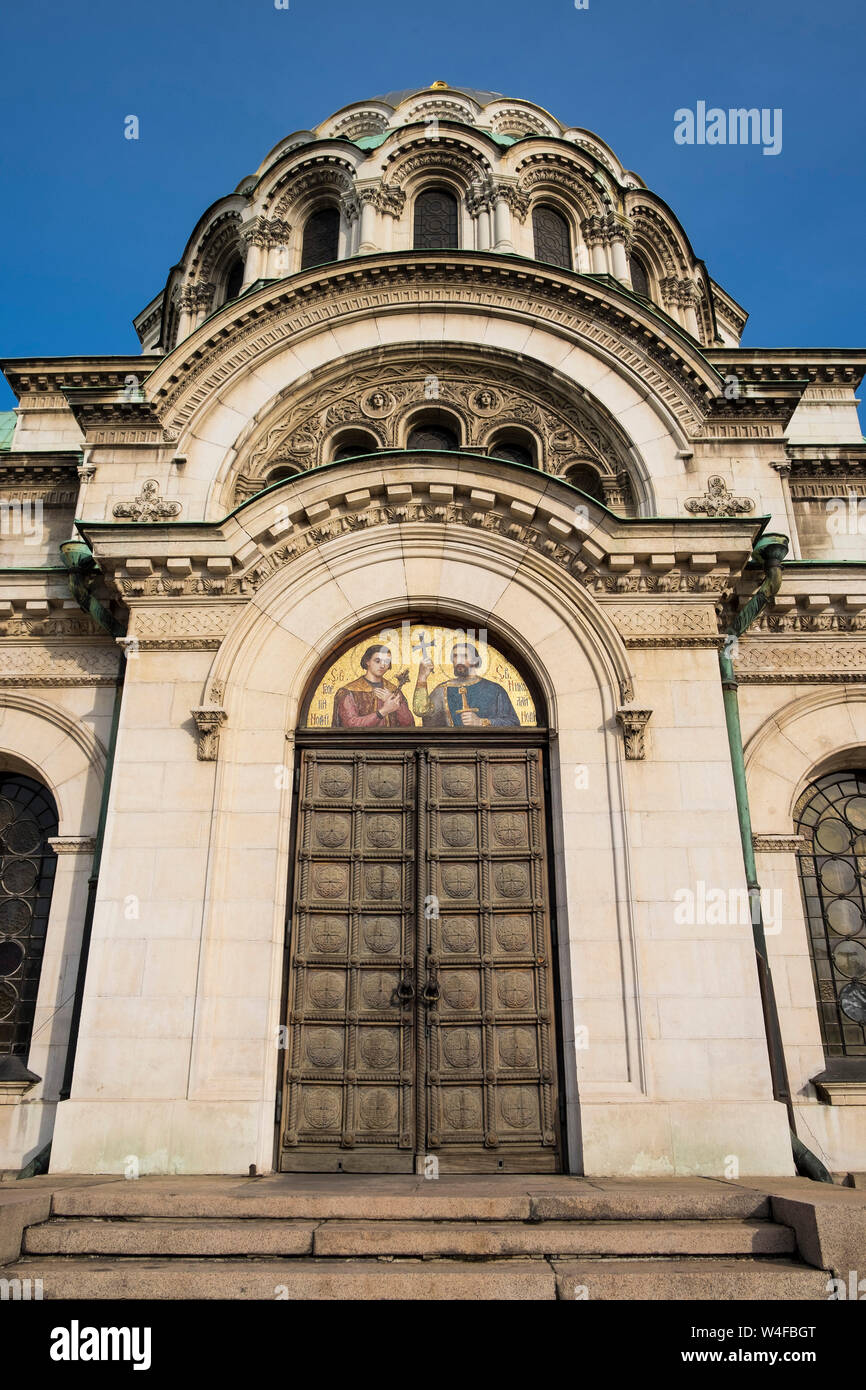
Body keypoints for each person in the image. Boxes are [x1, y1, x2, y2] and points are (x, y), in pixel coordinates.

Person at [412, 641, 520, 728]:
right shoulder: (443, 688)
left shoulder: (495, 690)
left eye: (464, 656)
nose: (459, 660)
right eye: (455, 656)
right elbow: (421, 711)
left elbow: (513, 723)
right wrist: (422, 677)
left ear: (476, 660)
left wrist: (481, 722)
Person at [332, 645, 414, 728]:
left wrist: (397, 706)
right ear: (367, 661)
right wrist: (383, 711)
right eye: (377, 661)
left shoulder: (394, 691)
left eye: (386, 662)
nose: (382, 666)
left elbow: (409, 724)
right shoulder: (349, 691)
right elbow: (349, 725)